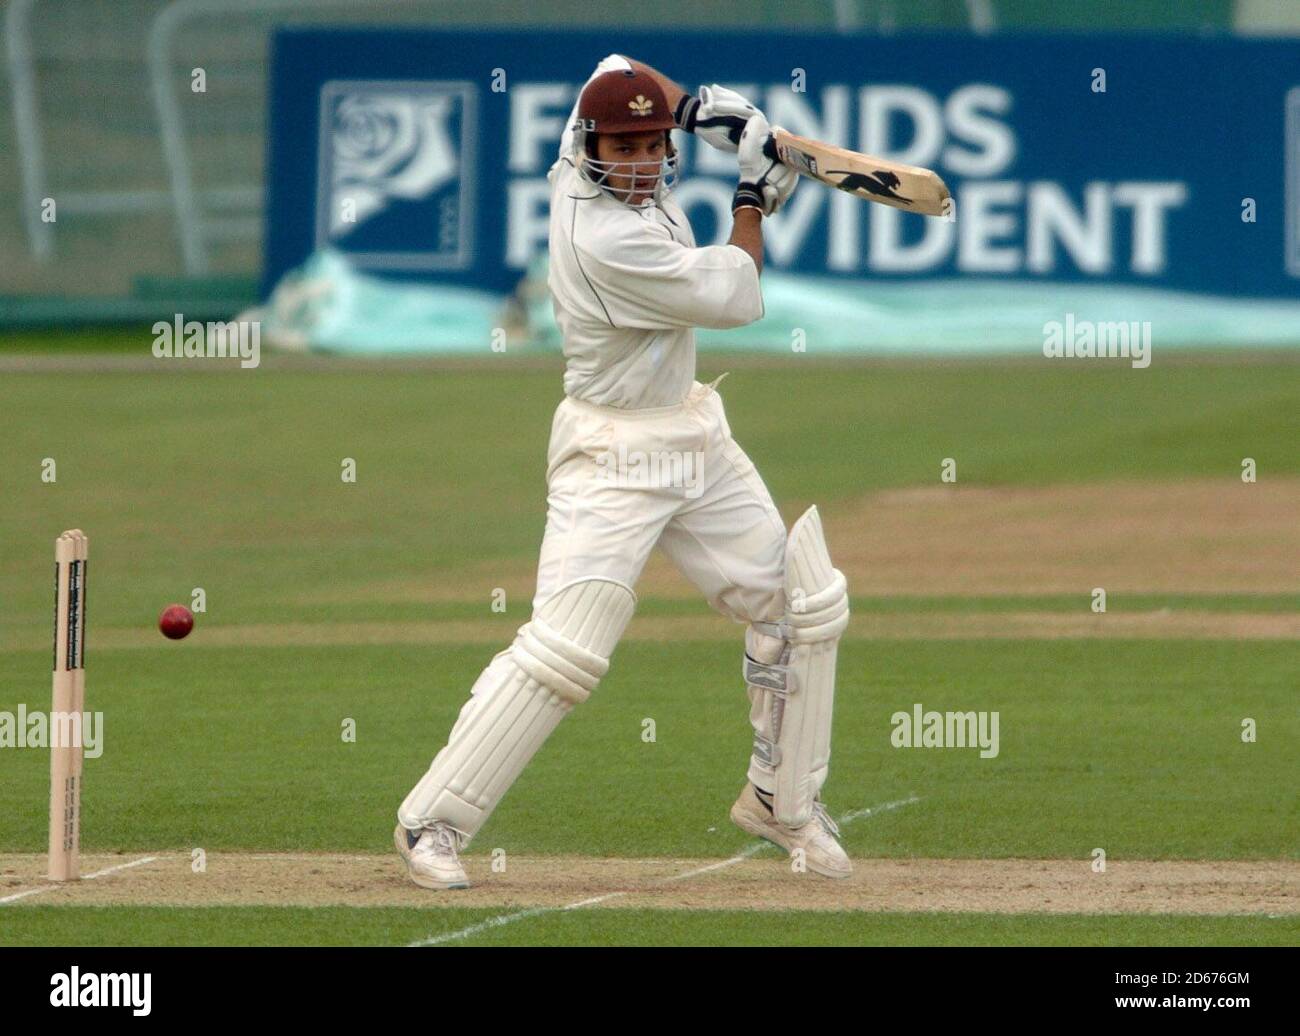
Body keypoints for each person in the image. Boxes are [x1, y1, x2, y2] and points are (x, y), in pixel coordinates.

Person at [395, 54, 851, 889]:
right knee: (566, 653)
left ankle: (783, 800)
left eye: (651, 144)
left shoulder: (603, 143)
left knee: (803, 603)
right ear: (586, 144)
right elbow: (739, 296)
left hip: (694, 433)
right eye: (623, 145)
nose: (640, 163)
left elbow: (619, 68)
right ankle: (433, 823)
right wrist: (752, 192)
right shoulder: (601, 236)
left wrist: (703, 109)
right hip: (611, 455)